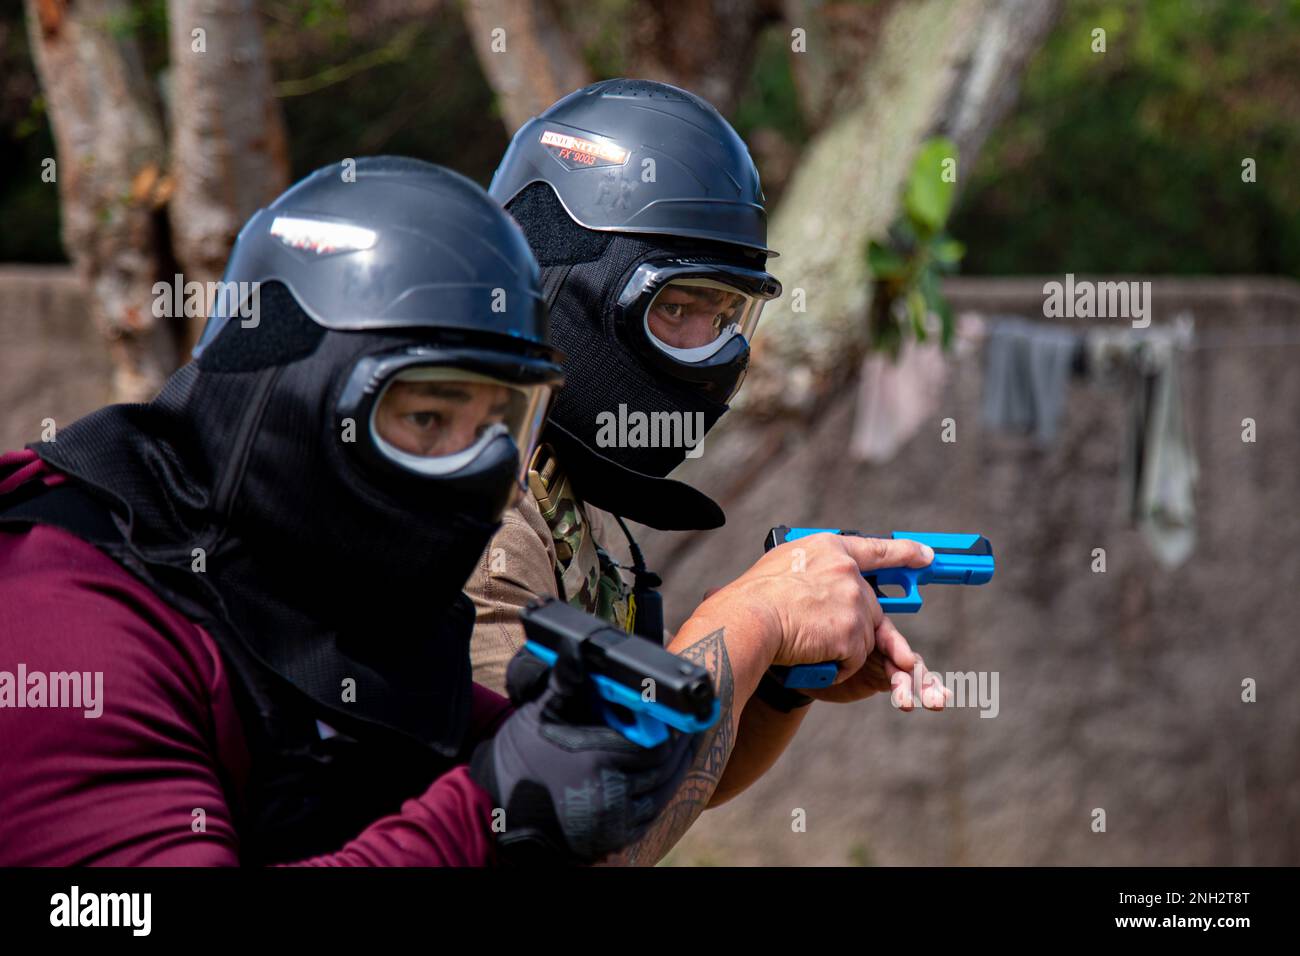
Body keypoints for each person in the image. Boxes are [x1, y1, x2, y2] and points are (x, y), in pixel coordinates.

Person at [0, 155, 940, 867]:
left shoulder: (353, 605)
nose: (476, 468)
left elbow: (596, 813)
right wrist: (494, 809)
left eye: (505, 421)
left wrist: (718, 700)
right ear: (295, 394)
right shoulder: (67, 622)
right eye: (425, 415)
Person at [465, 80, 953, 864]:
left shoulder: (560, 484)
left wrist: (777, 681)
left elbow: (648, 786)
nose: (713, 351)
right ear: (563, 284)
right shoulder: (474, 505)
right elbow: (540, 836)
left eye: (728, 316)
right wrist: (753, 617)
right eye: (679, 307)